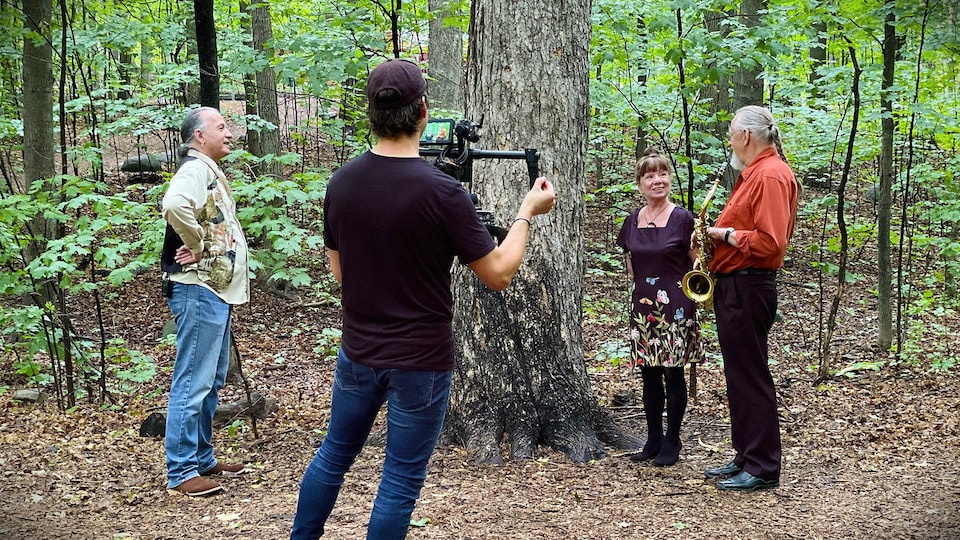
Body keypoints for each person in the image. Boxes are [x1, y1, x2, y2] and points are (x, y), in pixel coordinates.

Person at [290, 58, 556, 539]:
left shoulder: (342, 183)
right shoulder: (443, 192)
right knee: (400, 479)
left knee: (334, 454)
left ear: (370, 112)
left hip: (358, 352)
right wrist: (527, 213)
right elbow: (498, 273)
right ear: (423, 112)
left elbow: (339, 272)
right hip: (421, 361)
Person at [701, 105, 800, 492]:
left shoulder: (772, 175)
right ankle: (745, 455)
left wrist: (722, 235)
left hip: (750, 284)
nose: (729, 140)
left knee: (751, 376)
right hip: (734, 284)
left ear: (746, 136)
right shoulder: (753, 174)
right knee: (738, 375)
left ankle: (762, 466)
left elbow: (770, 242)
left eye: (730, 133)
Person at [160, 106, 249, 496]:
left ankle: (201, 458)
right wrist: (196, 244)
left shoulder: (207, 169)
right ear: (199, 136)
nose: (229, 133)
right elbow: (174, 205)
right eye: (221, 126)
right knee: (193, 381)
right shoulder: (194, 169)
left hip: (213, 289)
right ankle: (181, 472)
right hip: (196, 288)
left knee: (210, 380)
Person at [617, 148, 704, 467]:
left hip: (677, 305)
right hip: (643, 305)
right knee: (648, 375)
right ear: (640, 184)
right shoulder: (631, 221)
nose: (658, 180)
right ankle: (653, 439)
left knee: (673, 372)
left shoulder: (683, 219)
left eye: (663, 173)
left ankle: (673, 441)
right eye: (650, 175)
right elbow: (630, 264)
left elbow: (698, 263)